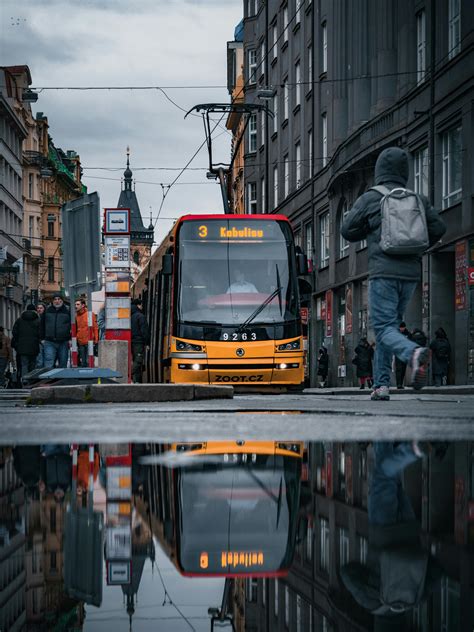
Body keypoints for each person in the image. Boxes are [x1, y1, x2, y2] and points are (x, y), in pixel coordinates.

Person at [341, 147, 446, 400]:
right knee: (387, 331)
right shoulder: (416, 199)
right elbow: (439, 227)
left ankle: (413, 353)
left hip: (383, 273)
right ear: (404, 172)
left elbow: (347, 230)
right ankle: (381, 386)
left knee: (384, 328)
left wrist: (368, 228)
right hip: (410, 274)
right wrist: (417, 250)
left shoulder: (371, 198)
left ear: (379, 171)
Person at [340, 442, 443, 629]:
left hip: (410, 527)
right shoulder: (371, 602)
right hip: (382, 528)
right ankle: (413, 451)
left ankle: (384, 430)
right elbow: (346, 573)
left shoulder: (415, 600)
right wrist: (367, 572)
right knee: (383, 476)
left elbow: (437, 571)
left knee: (392, 478)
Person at [11, 304, 41, 383]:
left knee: (24, 364)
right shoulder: (38, 320)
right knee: (33, 363)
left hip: (22, 346)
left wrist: (18, 342)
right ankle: (32, 380)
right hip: (34, 345)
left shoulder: (19, 320)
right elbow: (40, 333)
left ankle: (24, 379)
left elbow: (14, 332)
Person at [43, 294, 71, 368]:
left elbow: (73, 325)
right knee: (49, 362)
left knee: (63, 363)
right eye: (55, 299)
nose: (57, 301)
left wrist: (70, 338)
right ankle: (48, 379)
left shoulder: (67, 310)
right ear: (52, 301)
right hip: (49, 341)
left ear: (62, 300)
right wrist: (42, 338)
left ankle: (62, 379)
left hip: (63, 342)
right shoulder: (47, 311)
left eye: (59, 299)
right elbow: (42, 325)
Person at [74, 298, 98, 367]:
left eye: (78, 304)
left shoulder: (90, 314)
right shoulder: (76, 316)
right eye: (75, 304)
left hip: (89, 342)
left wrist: (96, 340)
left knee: (89, 362)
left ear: (83, 305)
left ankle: (91, 376)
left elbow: (95, 327)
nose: (76, 306)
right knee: (83, 363)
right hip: (80, 342)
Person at [131, 298, 150, 383]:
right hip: (138, 342)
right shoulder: (140, 316)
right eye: (141, 305)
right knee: (138, 361)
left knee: (133, 360)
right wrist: (147, 342)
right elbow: (144, 331)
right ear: (138, 305)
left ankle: (136, 380)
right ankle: (129, 373)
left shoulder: (128, 315)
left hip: (130, 341)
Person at [394, 322, 411, 389]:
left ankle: (401, 383)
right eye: (400, 328)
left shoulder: (408, 334)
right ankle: (398, 384)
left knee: (403, 369)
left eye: (402, 327)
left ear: (405, 327)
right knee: (399, 369)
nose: (401, 329)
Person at [36, 302, 46, 368]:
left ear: (44, 309)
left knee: (46, 358)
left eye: (41, 308)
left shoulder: (46, 317)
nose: (39, 309)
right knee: (39, 360)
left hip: (46, 340)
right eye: (38, 308)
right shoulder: (35, 318)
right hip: (38, 341)